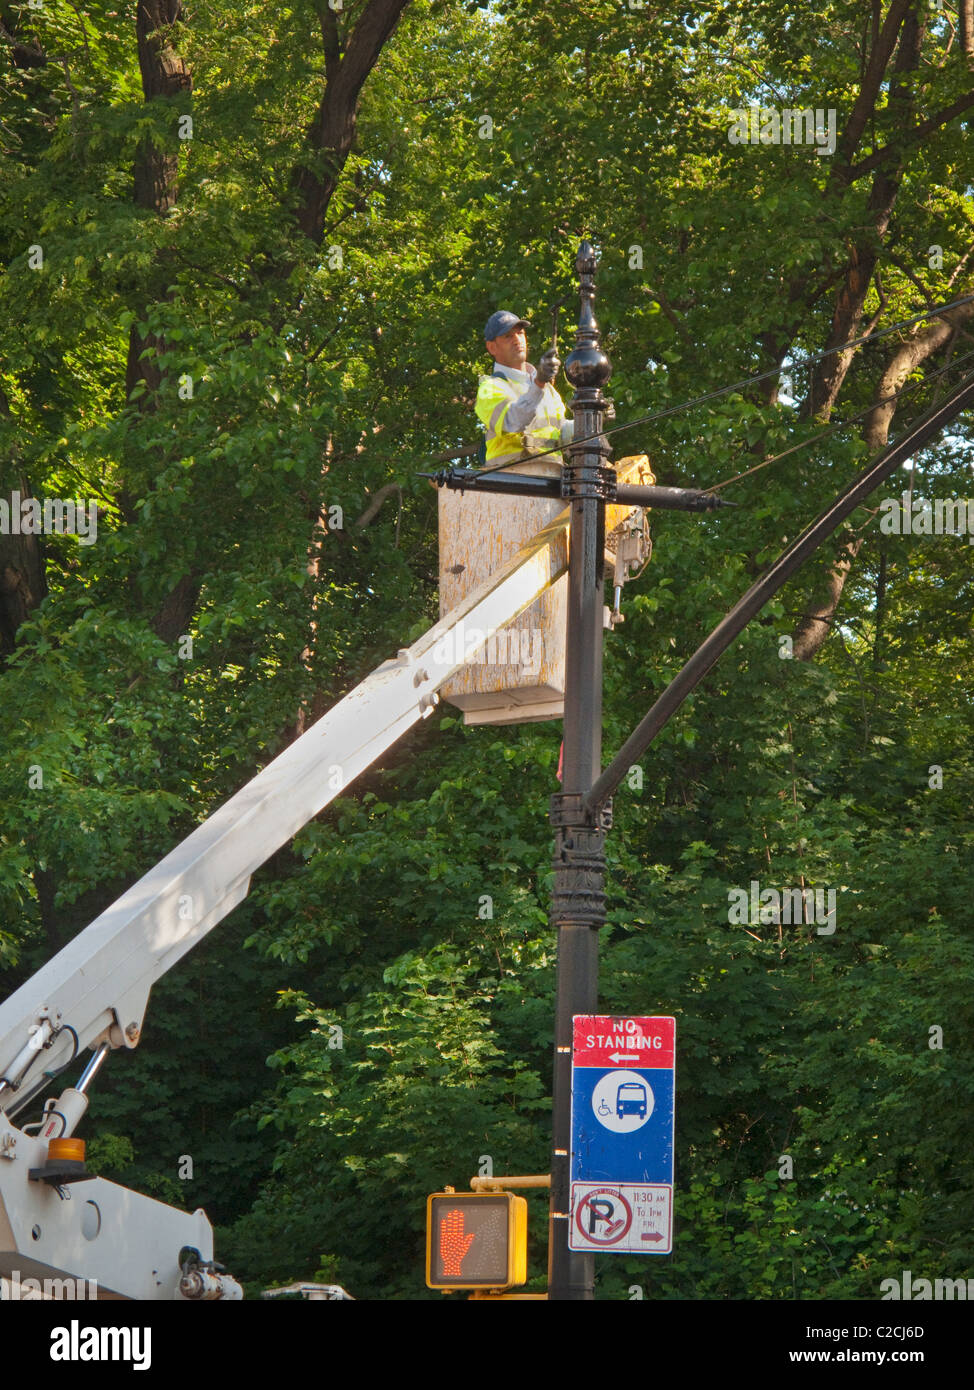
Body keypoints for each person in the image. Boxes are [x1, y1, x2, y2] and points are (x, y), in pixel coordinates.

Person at [475, 310, 574, 468]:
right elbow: (512, 422)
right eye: (508, 336)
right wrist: (539, 383)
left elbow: (564, 435)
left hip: (553, 479)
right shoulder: (491, 388)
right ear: (492, 347)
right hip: (510, 480)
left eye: (520, 333)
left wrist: (594, 418)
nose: (517, 340)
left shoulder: (548, 390)